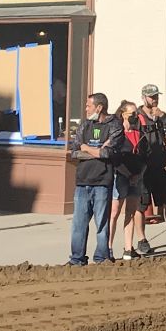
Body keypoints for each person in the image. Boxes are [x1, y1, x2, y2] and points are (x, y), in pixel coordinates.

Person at [68, 92, 124, 264]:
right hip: (82, 180)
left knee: (102, 224)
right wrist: (96, 151)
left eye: (88, 106)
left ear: (99, 108)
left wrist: (87, 148)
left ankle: (101, 258)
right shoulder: (85, 125)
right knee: (79, 224)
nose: (86, 109)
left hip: (102, 181)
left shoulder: (114, 125)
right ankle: (77, 259)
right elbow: (74, 151)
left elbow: (108, 153)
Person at [135, 84, 166, 253]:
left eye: (156, 96)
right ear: (143, 98)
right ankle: (141, 240)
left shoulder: (160, 116)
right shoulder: (137, 117)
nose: (154, 99)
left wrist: (163, 116)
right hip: (143, 169)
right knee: (141, 205)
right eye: (151, 97)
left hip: (160, 167)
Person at [111, 100, 159, 259]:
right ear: (123, 114)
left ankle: (128, 248)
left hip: (136, 178)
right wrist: (127, 174)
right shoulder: (117, 134)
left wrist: (138, 175)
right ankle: (107, 248)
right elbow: (114, 157)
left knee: (131, 212)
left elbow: (146, 157)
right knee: (114, 213)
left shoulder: (140, 134)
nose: (135, 117)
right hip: (120, 176)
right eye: (132, 114)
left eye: (136, 114)